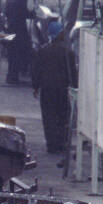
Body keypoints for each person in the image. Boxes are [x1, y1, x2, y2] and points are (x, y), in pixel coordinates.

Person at [30, 20, 77, 155]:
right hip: (62, 89)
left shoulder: (43, 51)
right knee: (62, 116)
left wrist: (35, 86)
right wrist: (74, 86)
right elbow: (72, 72)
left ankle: (51, 144)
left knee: (49, 116)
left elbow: (36, 70)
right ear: (60, 34)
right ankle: (61, 142)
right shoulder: (68, 52)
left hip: (47, 89)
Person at [4, 0, 33, 85]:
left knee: (11, 55)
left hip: (9, 31)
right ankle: (14, 77)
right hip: (19, 32)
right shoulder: (22, 1)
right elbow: (30, 14)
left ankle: (11, 75)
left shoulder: (8, 1)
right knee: (19, 54)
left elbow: (7, 14)